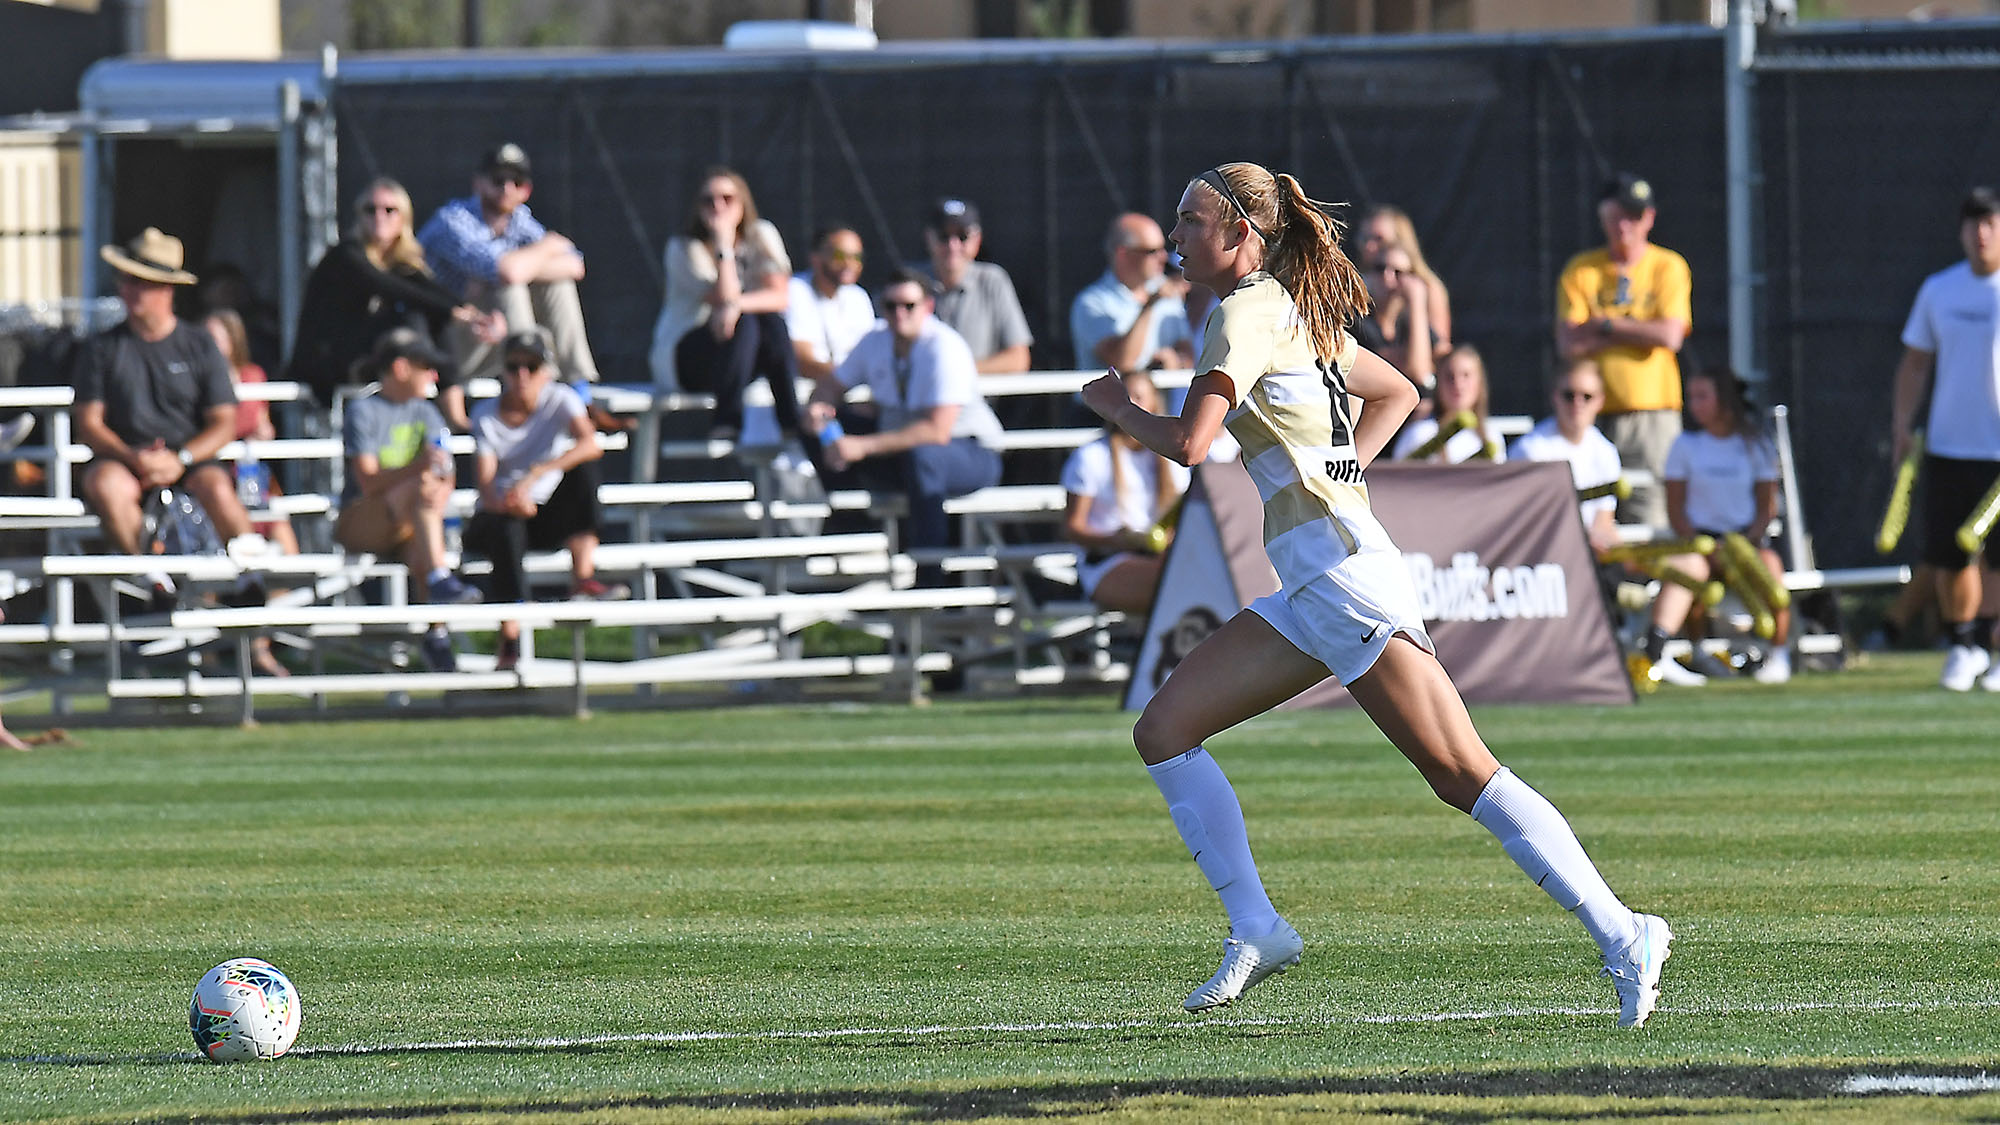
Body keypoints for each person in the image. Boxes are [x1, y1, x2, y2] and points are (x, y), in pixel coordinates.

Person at [1077, 161, 1672, 1028]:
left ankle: (1627, 933)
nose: (1176, 235)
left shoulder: (1241, 312)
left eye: (1190, 220)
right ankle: (1257, 925)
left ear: (1240, 234)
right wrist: (1344, 477)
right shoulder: (1284, 306)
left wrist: (1119, 408)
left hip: (1343, 582)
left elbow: (1193, 444)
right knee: (1164, 729)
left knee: (1463, 772)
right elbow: (1399, 392)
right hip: (1318, 581)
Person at [74, 228, 264, 610]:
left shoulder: (198, 344)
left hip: (190, 460)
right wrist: (134, 459)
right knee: (107, 484)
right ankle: (152, 579)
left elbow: (224, 421)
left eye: (138, 282)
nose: (126, 289)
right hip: (125, 460)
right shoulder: (102, 348)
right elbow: (89, 422)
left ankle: (252, 582)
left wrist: (181, 459)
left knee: (218, 488)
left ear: (166, 289)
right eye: (125, 279)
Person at [806, 269, 1005, 555]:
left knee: (923, 457)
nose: (899, 313)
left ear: (928, 307)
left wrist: (862, 446)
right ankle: (851, 527)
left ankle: (929, 572)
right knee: (816, 428)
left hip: (970, 452)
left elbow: (937, 431)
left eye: (908, 306)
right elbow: (829, 388)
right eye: (891, 306)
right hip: (905, 451)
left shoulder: (944, 347)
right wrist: (820, 412)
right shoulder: (875, 340)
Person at [465, 329, 628, 673]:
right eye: (514, 366)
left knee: (583, 473)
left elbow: (590, 444)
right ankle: (510, 635)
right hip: (504, 514)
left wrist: (537, 473)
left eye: (531, 365)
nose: (522, 375)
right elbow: (487, 489)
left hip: (543, 509)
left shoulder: (560, 399)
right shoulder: (486, 415)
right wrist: (512, 501)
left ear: (545, 370)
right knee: (505, 530)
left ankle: (583, 577)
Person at [1891, 185, 2000, 691]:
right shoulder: (1939, 290)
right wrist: (1902, 425)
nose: (1981, 235)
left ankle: (1994, 648)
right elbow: (1915, 363)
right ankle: (1963, 645)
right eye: (1972, 224)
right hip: (1950, 447)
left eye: (1991, 224)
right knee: (1950, 556)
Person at [287, 177, 500, 430]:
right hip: (329, 359)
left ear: (403, 218)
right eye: (370, 209)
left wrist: (474, 315)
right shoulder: (346, 254)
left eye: (389, 210)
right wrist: (454, 311)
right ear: (359, 216)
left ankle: (453, 411)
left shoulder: (401, 262)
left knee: (433, 319)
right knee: (413, 318)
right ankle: (417, 388)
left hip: (373, 355)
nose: (379, 216)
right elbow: (388, 286)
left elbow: (429, 290)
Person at [334, 327, 480, 673]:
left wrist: (436, 484)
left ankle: (437, 635)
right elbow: (368, 482)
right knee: (421, 488)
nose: (434, 375)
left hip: (410, 523)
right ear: (400, 368)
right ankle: (441, 583)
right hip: (364, 520)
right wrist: (421, 472)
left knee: (424, 545)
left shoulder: (428, 412)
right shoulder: (363, 411)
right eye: (425, 366)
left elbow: (446, 472)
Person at [1635, 369, 1789, 687]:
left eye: (1703, 396)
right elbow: (1675, 507)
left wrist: (1743, 544)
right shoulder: (1685, 445)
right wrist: (1700, 543)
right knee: (1686, 569)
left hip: (1744, 541)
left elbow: (1766, 508)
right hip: (1700, 544)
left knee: (1771, 567)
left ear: (1725, 399)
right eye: (1691, 397)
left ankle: (1779, 653)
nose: (1695, 404)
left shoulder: (1755, 446)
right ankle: (1658, 655)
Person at [1556, 173, 1692, 530]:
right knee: (1591, 512)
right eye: (1618, 215)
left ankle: (1651, 584)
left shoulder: (1668, 266)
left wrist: (1606, 325)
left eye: (1634, 216)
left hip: (1652, 416)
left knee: (1651, 510)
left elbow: (1670, 335)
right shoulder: (1582, 270)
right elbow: (1569, 343)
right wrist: (1640, 332)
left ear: (1649, 219)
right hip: (1588, 411)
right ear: (1603, 216)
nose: (1625, 225)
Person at [647, 168, 813, 450]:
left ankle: (791, 420)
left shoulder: (761, 234)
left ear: (743, 203)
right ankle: (728, 420)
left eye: (727, 198)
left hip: (739, 357)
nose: (717, 207)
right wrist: (723, 244)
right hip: (686, 358)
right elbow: (723, 297)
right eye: (708, 201)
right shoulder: (684, 248)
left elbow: (779, 297)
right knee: (746, 322)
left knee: (770, 322)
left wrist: (737, 305)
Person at [418, 143, 602, 391]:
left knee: (558, 284)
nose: (507, 188)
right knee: (509, 287)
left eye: (516, 181)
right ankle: (529, 387)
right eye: (497, 180)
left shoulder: (520, 220)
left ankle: (579, 388)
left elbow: (575, 265)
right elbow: (508, 272)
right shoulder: (452, 220)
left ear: (526, 190)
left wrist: (526, 264)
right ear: (478, 183)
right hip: (448, 342)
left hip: (496, 336)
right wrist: (548, 247)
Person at [205, 310, 301, 679]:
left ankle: (260, 644)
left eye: (219, 336)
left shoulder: (252, 375)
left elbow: (254, 423)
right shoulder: (197, 378)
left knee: (287, 556)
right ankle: (207, 655)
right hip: (212, 481)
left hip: (252, 480)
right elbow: (239, 423)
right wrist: (239, 427)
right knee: (212, 565)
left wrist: (233, 428)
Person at [1060, 369, 1188, 614]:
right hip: (1106, 561)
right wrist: (1117, 540)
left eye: (1139, 397)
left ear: (1153, 403)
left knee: (1192, 576)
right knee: (1177, 582)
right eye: (1126, 398)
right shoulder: (1091, 456)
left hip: (1161, 558)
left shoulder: (1171, 460)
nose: (1133, 405)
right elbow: (1072, 528)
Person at [1509, 358, 1624, 556]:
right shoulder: (1531, 450)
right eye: (1569, 395)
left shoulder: (1606, 451)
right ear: (1555, 397)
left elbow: (1603, 520)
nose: (1577, 404)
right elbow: (1526, 521)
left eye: (1586, 396)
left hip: (1587, 556)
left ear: (1600, 401)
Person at [919, 198, 1033, 374]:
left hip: (975, 398)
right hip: (917, 399)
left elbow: (1018, 359)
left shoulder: (993, 280)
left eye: (962, 236)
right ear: (929, 238)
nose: (953, 245)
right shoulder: (910, 284)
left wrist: (956, 374)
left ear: (977, 239)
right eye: (943, 236)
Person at [1070, 214, 1195, 375]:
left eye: (1163, 249)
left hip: (1156, 401)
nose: (1163, 257)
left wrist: (1175, 362)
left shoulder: (1166, 293)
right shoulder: (1091, 303)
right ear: (1123, 254)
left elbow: (1188, 357)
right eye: (1152, 251)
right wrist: (1150, 305)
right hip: (1105, 401)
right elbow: (1123, 362)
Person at [1355, 204, 1452, 358]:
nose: (1369, 247)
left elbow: (1439, 354)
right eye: (1364, 239)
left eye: (1379, 239)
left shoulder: (1428, 288)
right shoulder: (1353, 286)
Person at [785, 224, 877, 384]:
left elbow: (871, 354)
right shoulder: (794, 290)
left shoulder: (858, 297)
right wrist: (849, 377)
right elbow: (802, 360)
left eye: (857, 257)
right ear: (815, 257)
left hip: (852, 386)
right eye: (840, 255)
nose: (850, 263)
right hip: (802, 384)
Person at [1391, 344, 1499, 463]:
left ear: (1480, 383)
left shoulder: (1492, 435)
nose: (1458, 384)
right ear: (1438, 384)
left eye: (1466, 375)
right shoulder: (1419, 433)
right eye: (1450, 377)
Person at [1355, 241, 1434, 395]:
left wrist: (1416, 306)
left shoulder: (1409, 321)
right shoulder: (1357, 320)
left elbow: (1432, 367)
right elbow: (1417, 372)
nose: (1387, 277)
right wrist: (1417, 302)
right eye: (1380, 268)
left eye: (1398, 272)